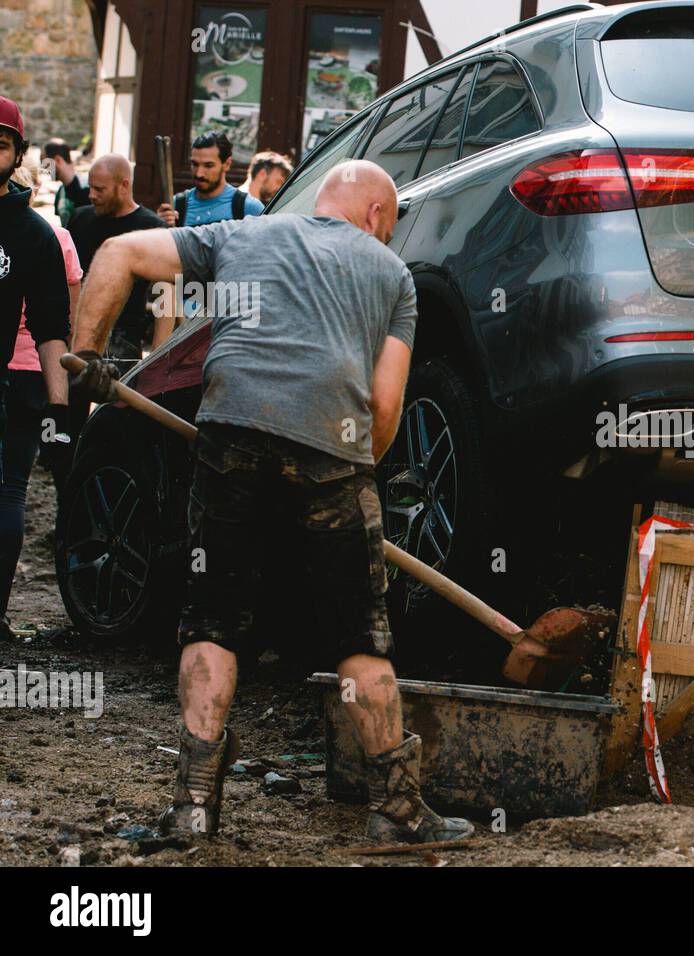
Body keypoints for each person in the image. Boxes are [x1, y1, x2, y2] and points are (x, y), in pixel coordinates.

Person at [69, 159, 472, 844]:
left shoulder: (244, 237)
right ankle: (397, 809)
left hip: (229, 436)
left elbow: (117, 252)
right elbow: (383, 403)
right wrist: (357, 475)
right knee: (358, 635)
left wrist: (87, 354)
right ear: (377, 216)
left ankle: (193, 806)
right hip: (331, 450)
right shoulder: (392, 276)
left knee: (213, 622)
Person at [0, 99, 72, 630]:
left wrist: (62, 408)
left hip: (8, 388)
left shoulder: (35, 236)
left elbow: (51, 328)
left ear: (18, 153)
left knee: (7, 495)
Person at [68, 154, 168, 363]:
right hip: (78, 332)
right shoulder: (80, 219)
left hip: (124, 341)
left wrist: (159, 354)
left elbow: (166, 293)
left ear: (123, 185)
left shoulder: (152, 228)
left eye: (100, 190)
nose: (92, 195)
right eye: (91, 188)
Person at [157, 131, 263, 227]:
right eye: (195, 164)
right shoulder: (177, 205)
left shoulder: (248, 208)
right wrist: (159, 226)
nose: (199, 174)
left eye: (208, 165)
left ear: (227, 164)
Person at [42, 139, 91, 227]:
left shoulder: (89, 187)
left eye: (46, 164)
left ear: (57, 160)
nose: (45, 169)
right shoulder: (60, 192)